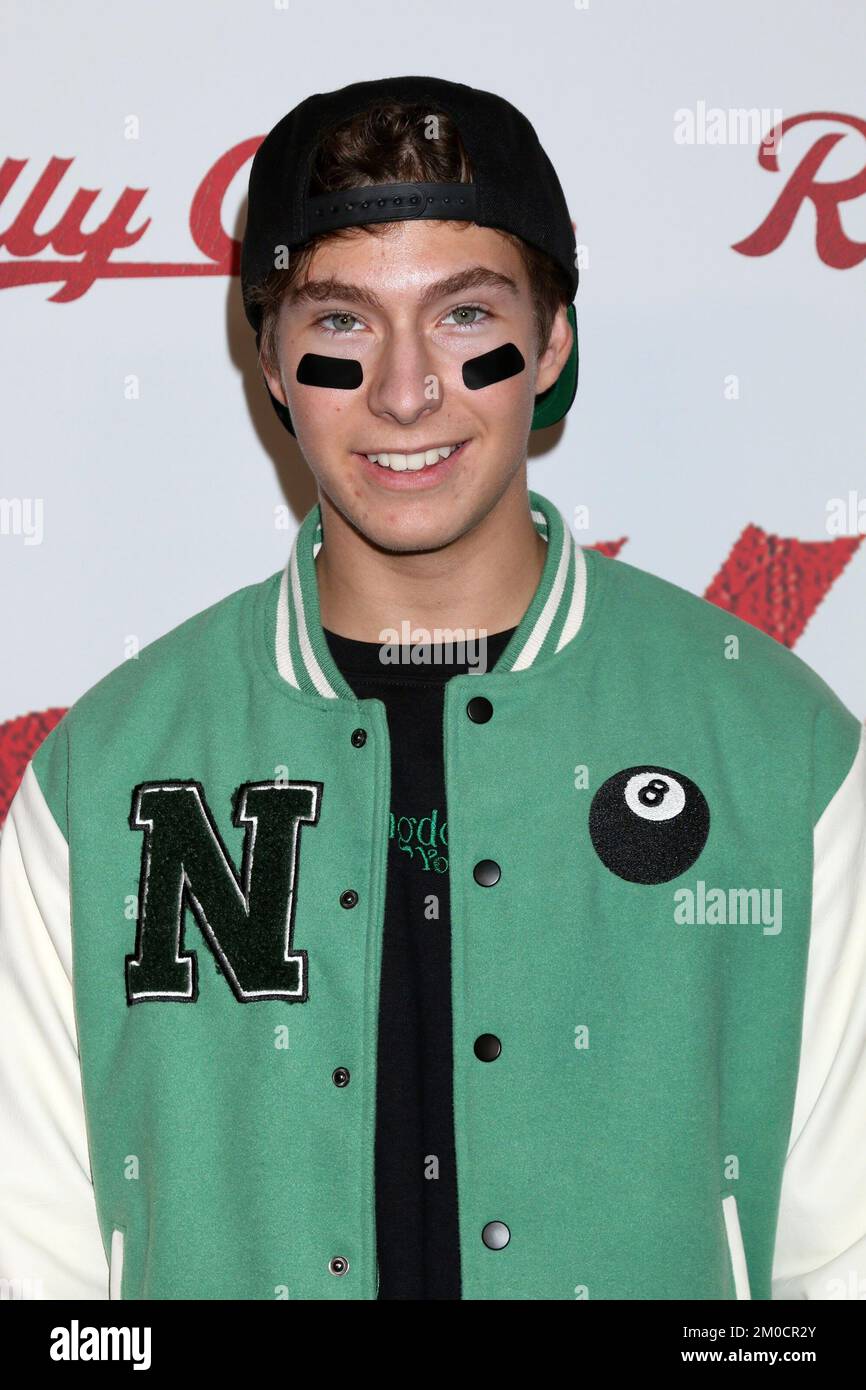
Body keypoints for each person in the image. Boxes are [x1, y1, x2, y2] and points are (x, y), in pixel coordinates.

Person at [1, 75, 863, 1302]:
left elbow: (842, 1258)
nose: (406, 392)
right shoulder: (105, 776)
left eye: (464, 317)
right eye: (341, 325)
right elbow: (34, 1275)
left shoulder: (778, 751)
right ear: (272, 358)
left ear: (551, 339)